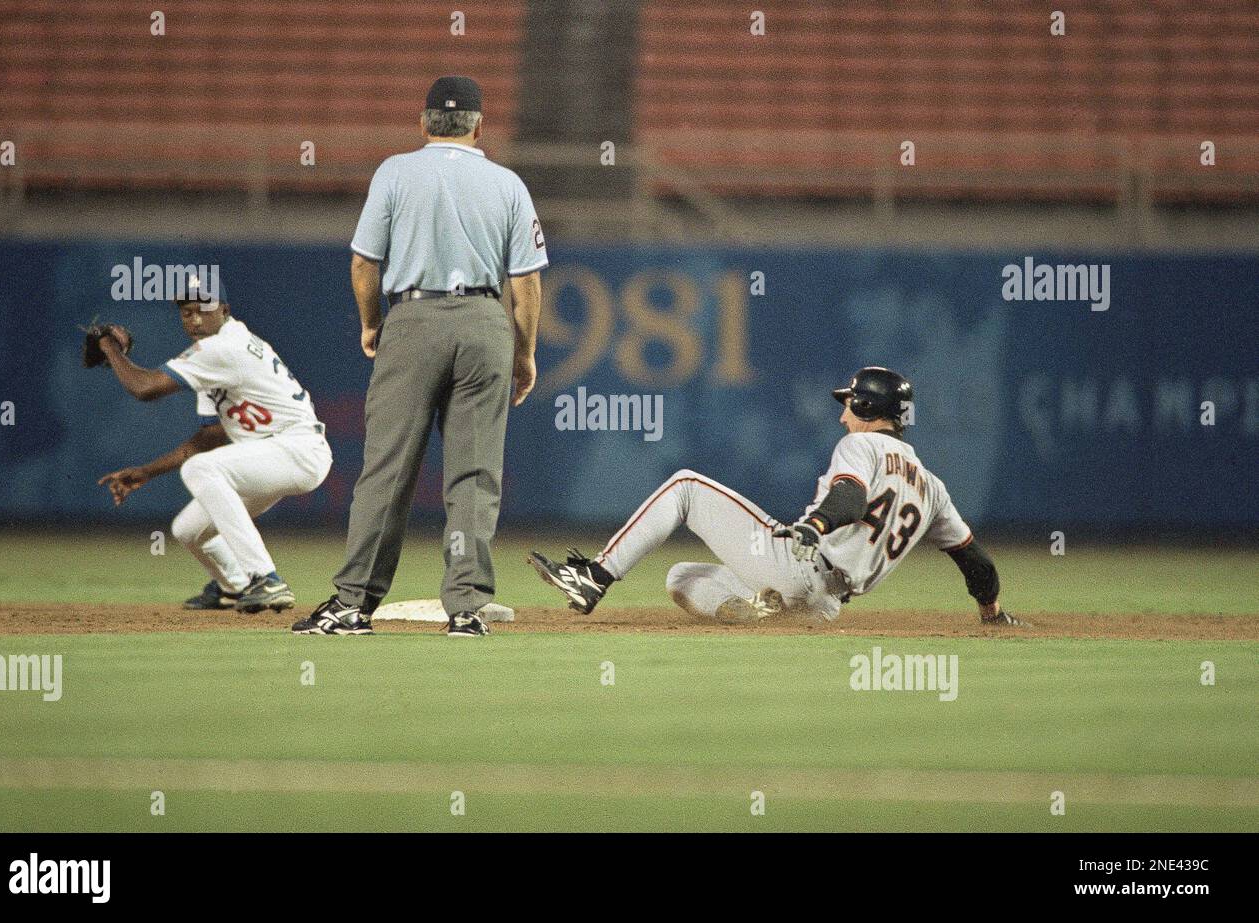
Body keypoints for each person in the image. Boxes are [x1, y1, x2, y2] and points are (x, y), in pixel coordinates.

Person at [292, 75, 546, 638]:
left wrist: (372, 323)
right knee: (475, 475)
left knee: (387, 469)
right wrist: (524, 352)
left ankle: (353, 606)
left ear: (424, 122)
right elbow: (525, 285)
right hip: (484, 322)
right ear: (480, 126)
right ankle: (466, 609)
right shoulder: (507, 183)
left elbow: (364, 263)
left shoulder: (394, 172)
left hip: (412, 317)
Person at [529, 367, 1024, 627]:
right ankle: (754, 609)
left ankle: (593, 577)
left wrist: (815, 527)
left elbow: (850, 500)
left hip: (799, 562)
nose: (842, 415)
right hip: (826, 605)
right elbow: (976, 562)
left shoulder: (860, 444)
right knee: (680, 577)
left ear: (868, 404)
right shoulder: (931, 486)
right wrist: (991, 611)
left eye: (849, 404)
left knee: (684, 486)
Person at [95, 273, 332, 613]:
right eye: (186, 311)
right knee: (189, 529)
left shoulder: (222, 348)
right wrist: (148, 471)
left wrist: (109, 348)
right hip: (271, 454)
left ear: (224, 310)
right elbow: (212, 436)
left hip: (296, 450)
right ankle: (233, 586)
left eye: (202, 309)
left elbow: (143, 388)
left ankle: (265, 579)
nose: (193, 319)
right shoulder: (215, 348)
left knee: (199, 470)